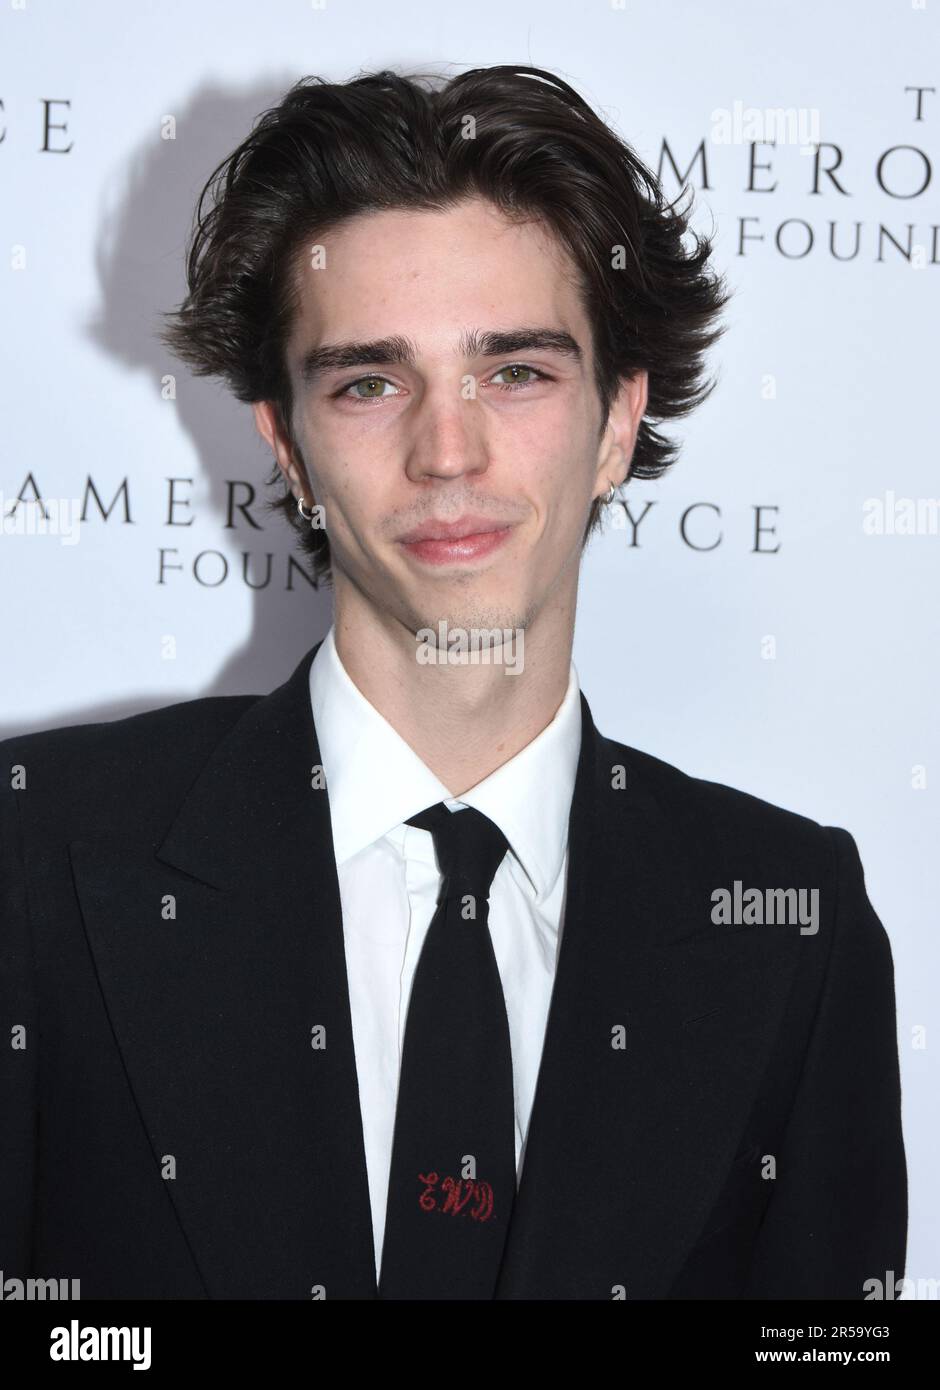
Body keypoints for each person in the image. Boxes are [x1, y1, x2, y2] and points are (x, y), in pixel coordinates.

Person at [0, 65, 906, 1300]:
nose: (446, 449)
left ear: (616, 421)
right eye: (369, 381)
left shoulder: (789, 920)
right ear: (288, 445)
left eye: (515, 372)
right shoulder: (39, 854)